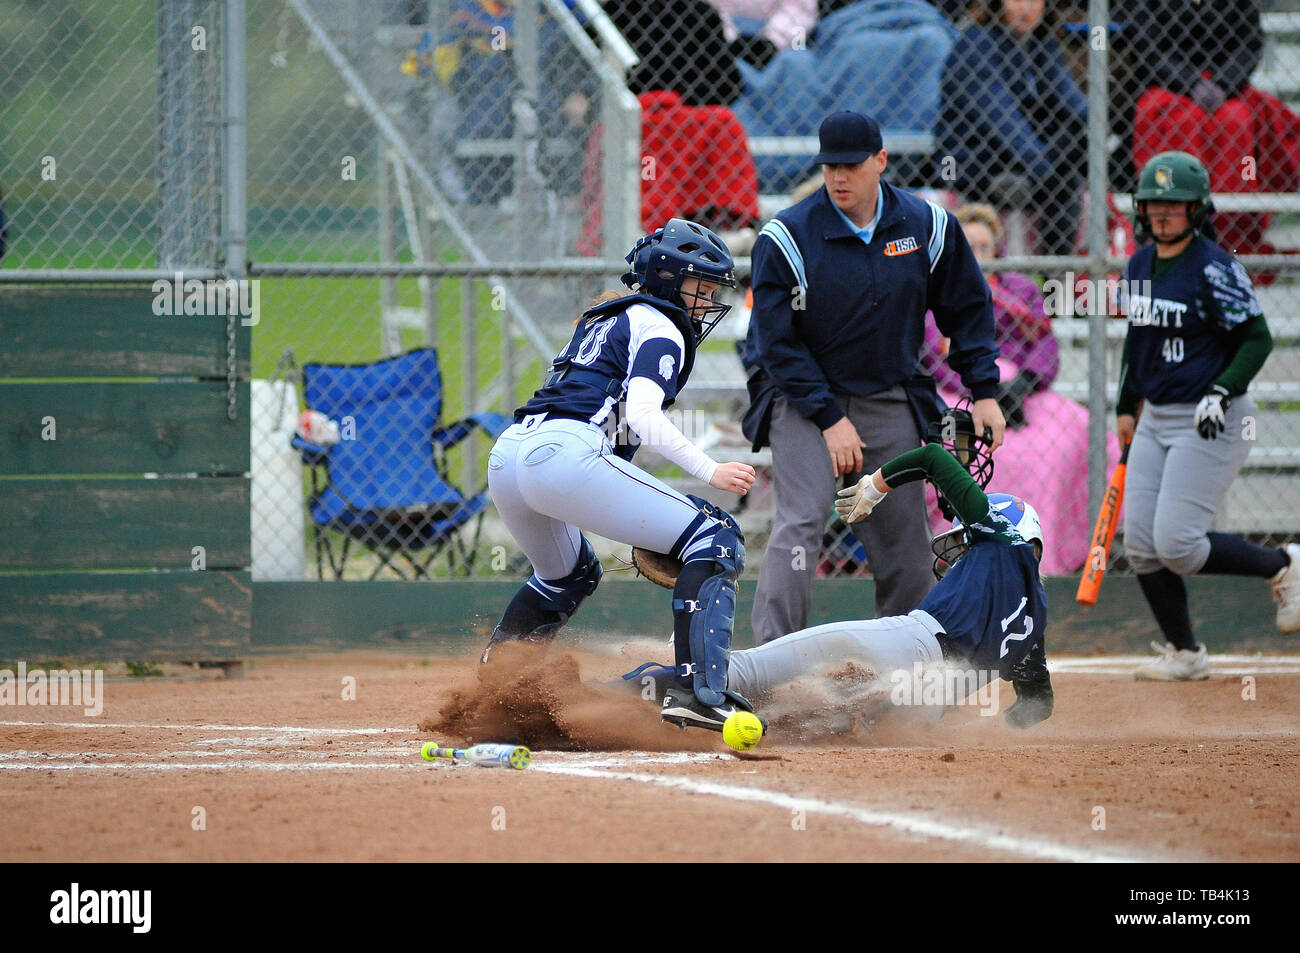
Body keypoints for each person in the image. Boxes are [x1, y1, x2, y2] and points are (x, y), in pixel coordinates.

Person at [480, 219, 764, 731]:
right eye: (700, 286)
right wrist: (710, 469)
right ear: (667, 279)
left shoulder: (604, 318)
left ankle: (495, 689)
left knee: (568, 574)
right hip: (563, 454)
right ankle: (701, 693)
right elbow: (642, 415)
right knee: (717, 538)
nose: (707, 300)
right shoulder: (661, 324)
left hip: (510, 455)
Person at [745, 109, 1004, 647]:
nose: (839, 177)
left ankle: (906, 667)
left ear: (880, 162)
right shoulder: (788, 236)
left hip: (889, 395)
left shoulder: (926, 226)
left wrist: (984, 391)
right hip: (803, 400)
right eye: (829, 166)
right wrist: (829, 417)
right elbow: (775, 344)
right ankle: (770, 666)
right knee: (801, 524)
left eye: (852, 165)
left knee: (905, 542)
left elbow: (968, 309)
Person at [627, 439, 1054, 730]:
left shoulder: (1003, 539)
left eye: (968, 543)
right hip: (918, 711)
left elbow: (933, 458)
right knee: (794, 720)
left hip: (906, 644)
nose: (962, 553)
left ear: (1022, 533)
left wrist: (877, 484)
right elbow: (1037, 704)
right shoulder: (1036, 618)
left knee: (737, 672)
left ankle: (601, 699)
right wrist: (1014, 722)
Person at [1117, 151, 1300, 681]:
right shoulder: (1138, 265)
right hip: (1157, 416)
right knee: (1143, 545)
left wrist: (1221, 390)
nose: (1163, 214)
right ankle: (1185, 653)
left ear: (1197, 209)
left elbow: (1257, 338)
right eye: (1155, 204)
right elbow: (1139, 341)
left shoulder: (1216, 266)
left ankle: (1285, 563)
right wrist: (1126, 405)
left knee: (1176, 543)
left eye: (1175, 205)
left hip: (1210, 415)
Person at [921, 204, 1120, 573]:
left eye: (985, 247)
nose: (977, 256)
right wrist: (986, 391)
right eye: (969, 247)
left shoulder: (1019, 288)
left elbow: (1045, 344)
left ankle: (1047, 555)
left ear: (997, 249)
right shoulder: (938, 290)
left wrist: (1023, 384)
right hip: (961, 388)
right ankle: (961, 555)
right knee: (955, 444)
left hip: (1023, 391)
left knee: (1078, 435)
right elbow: (933, 352)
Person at [1121, 0, 1300, 255]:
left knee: (1236, 119)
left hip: (1225, 88)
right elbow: (1147, 46)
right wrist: (1190, 83)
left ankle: (1233, 230)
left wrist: (1224, 84)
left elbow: (1249, 43)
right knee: (1182, 121)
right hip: (1170, 85)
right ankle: (1176, 223)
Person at [934, 0, 1088, 256]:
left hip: (1029, 158)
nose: (1026, 8)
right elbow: (1001, 120)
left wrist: (1089, 137)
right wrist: (1044, 168)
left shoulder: (1041, 43)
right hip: (973, 158)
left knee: (1071, 149)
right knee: (1059, 174)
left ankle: (1053, 269)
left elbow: (1076, 107)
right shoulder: (976, 44)